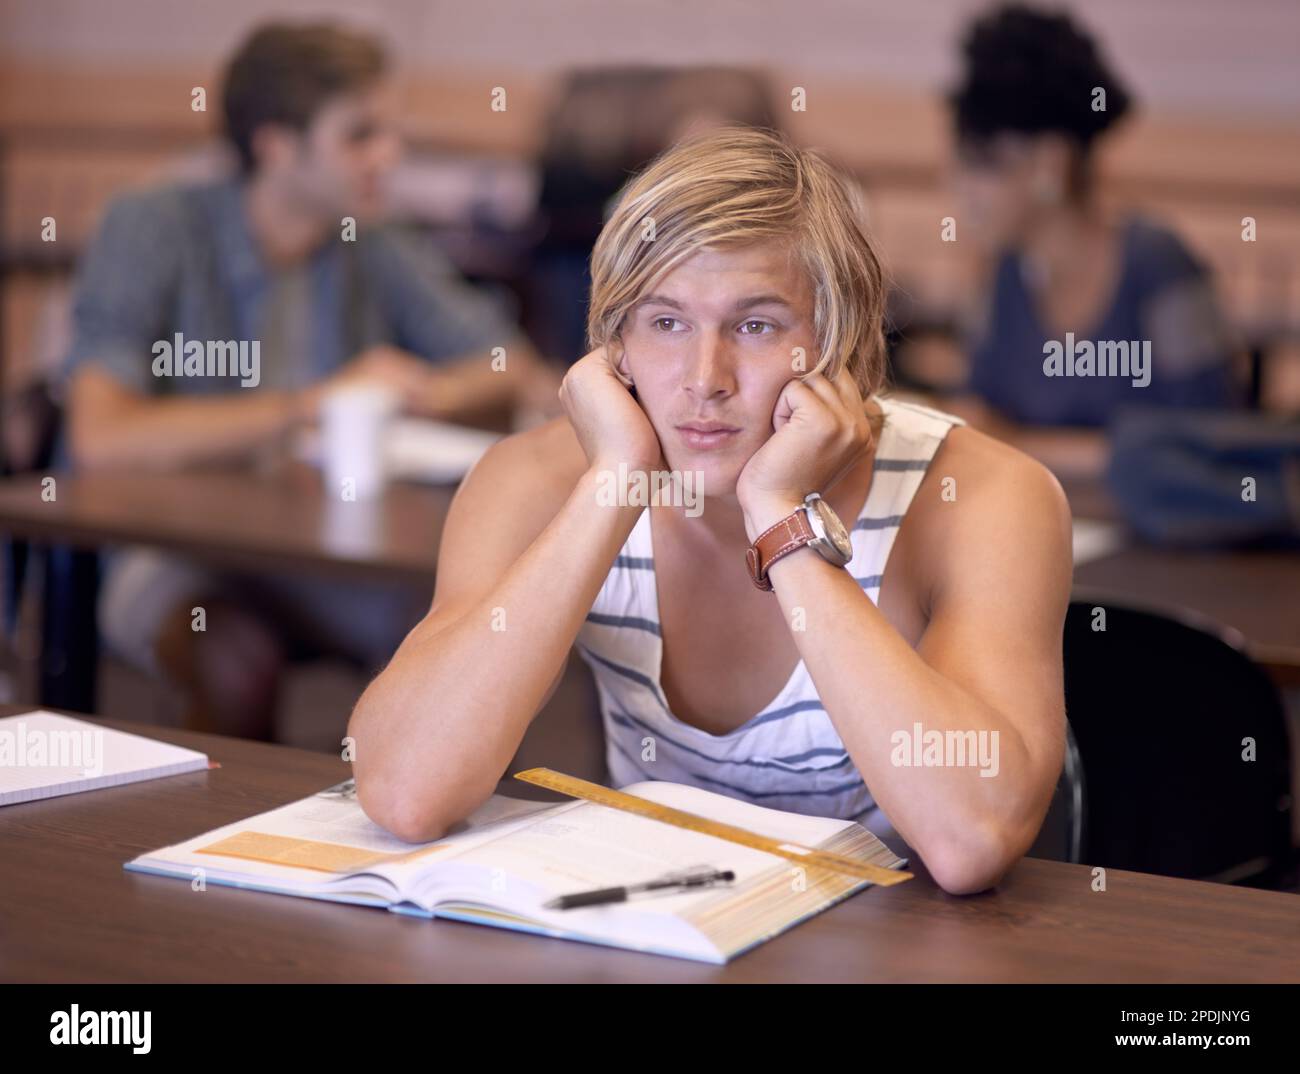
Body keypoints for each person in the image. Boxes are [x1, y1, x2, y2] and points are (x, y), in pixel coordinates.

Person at [348, 127, 1073, 896]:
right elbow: (404, 793)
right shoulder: (533, 480)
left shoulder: (985, 497)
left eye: (756, 325)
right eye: (665, 322)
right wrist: (617, 479)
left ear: (838, 340)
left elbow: (971, 840)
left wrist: (781, 517)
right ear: (613, 344)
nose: (705, 378)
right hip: (650, 934)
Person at [62, 21, 560, 739]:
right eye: (360, 136)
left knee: (468, 644)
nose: (388, 157)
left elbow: (506, 360)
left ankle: (402, 833)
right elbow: (101, 437)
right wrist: (311, 405)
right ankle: (231, 842)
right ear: (276, 145)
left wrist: (420, 392)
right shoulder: (154, 224)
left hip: (321, 545)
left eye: (390, 133)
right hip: (168, 545)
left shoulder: (372, 237)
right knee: (233, 656)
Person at [944, 4, 1240, 477]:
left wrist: (1022, 442)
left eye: (983, 163)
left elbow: (1211, 445)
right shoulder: (999, 277)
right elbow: (979, 422)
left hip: (1165, 549)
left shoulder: (1162, 268)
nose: (962, 189)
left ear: (1051, 163)